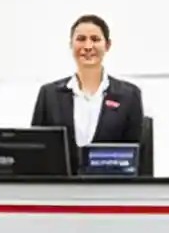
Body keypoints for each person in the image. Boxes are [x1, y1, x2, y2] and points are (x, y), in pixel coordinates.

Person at [30, 14, 146, 175]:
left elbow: (137, 159)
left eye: (95, 39)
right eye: (81, 39)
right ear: (71, 44)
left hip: (110, 191)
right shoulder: (49, 95)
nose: (88, 46)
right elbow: (36, 153)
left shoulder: (129, 95)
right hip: (59, 192)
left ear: (107, 45)